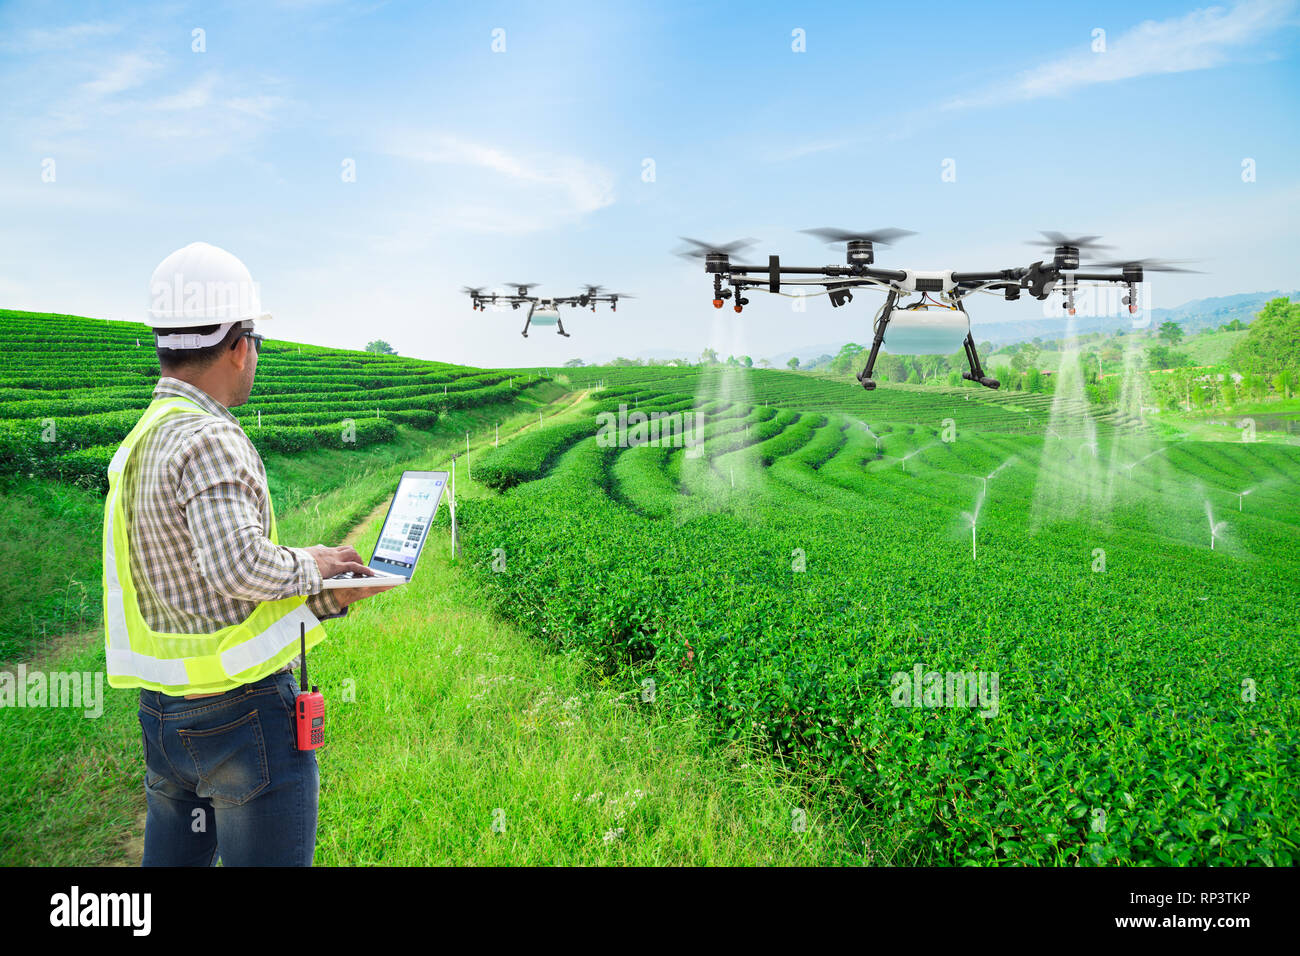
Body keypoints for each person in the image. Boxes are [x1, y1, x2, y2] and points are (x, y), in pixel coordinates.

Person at [104, 241, 398, 866]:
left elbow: (198, 583)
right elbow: (235, 567)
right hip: (238, 720)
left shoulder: (143, 439)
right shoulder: (208, 436)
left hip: (163, 713)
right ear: (237, 344)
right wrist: (315, 565)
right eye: (255, 340)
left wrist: (320, 591)